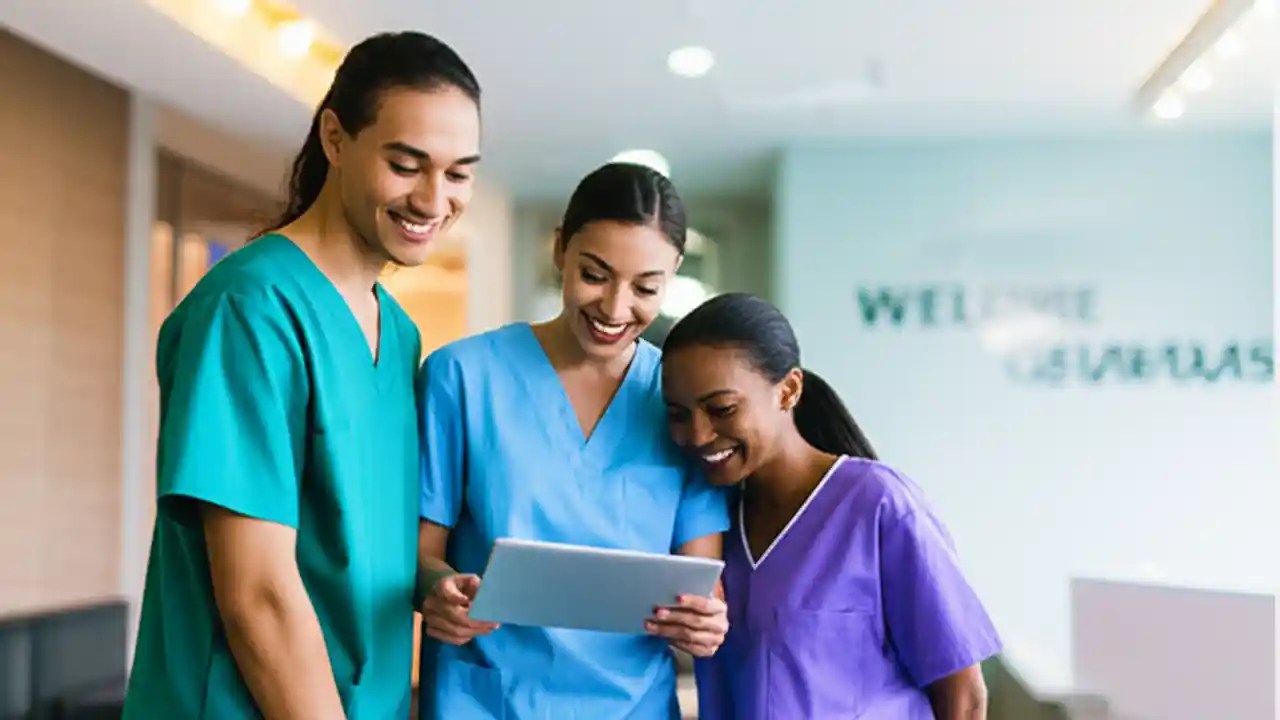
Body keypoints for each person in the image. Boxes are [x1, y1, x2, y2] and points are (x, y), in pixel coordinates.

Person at [122, 31, 482, 720]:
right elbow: (256, 592)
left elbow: (356, 543)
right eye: (407, 164)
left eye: (459, 173)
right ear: (336, 139)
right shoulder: (250, 308)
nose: (435, 199)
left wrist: (428, 583)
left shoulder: (398, 333)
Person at [416, 162, 731, 719]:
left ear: (674, 273)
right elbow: (423, 554)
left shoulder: (682, 399)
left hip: (632, 706)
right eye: (595, 274)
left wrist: (703, 625)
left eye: (646, 287)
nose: (614, 308)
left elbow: (702, 587)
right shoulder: (462, 376)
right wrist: (439, 591)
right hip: (485, 701)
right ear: (560, 249)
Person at [661, 293, 1003, 720]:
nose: (698, 434)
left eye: (722, 409)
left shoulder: (879, 505)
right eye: (678, 414)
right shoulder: (711, 527)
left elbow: (964, 695)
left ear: (788, 390)